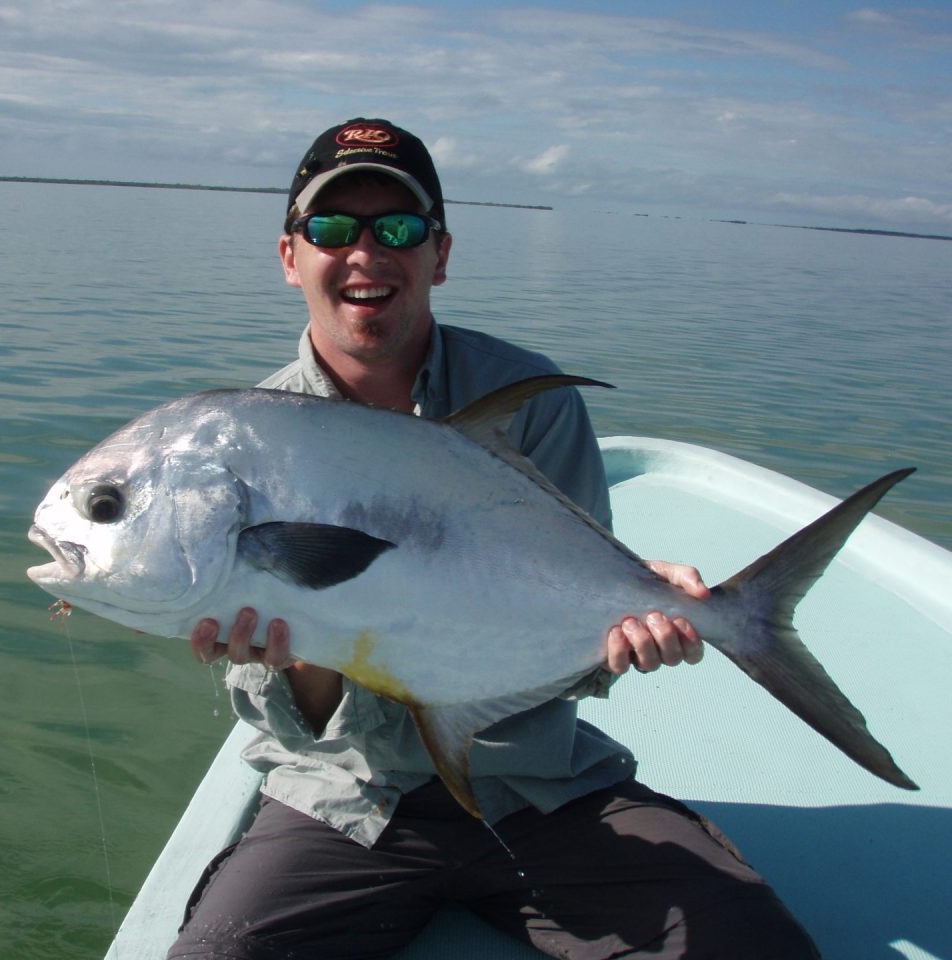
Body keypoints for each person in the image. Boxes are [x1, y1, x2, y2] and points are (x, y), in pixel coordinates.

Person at [168, 119, 819, 959]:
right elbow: (304, 730)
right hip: (350, 800)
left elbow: (562, 612)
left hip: (537, 789)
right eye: (331, 228)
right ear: (291, 256)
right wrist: (295, 653)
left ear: (439, 253)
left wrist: (624, 626)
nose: (365, 251)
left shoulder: (528, 400)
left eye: (397, 228)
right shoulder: (239, 446)